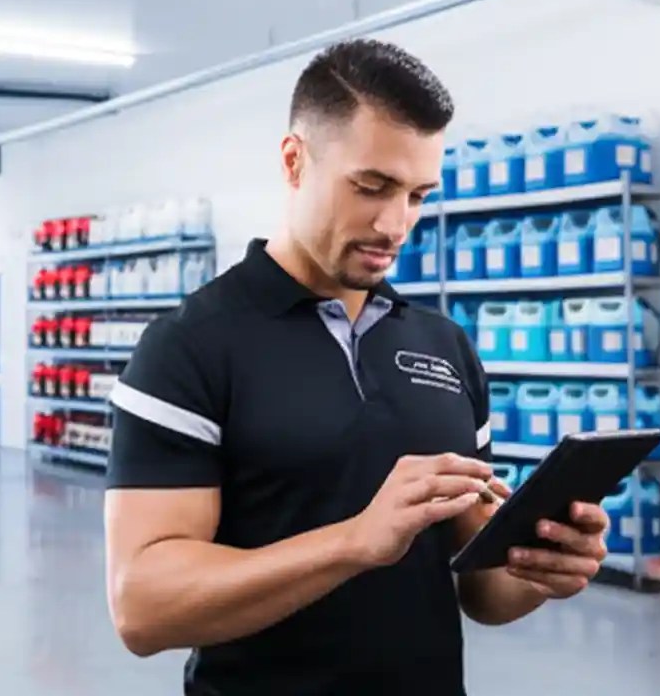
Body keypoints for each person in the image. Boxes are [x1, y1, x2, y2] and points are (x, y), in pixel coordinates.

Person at [102, 39, 611, 696]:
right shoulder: (188, 347)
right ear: (294, 161)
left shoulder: (446, 349)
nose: (396, 224)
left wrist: (540, 567)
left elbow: (480, 590)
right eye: (372, 187)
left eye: (418, 196)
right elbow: (142, 608)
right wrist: (353, 543)